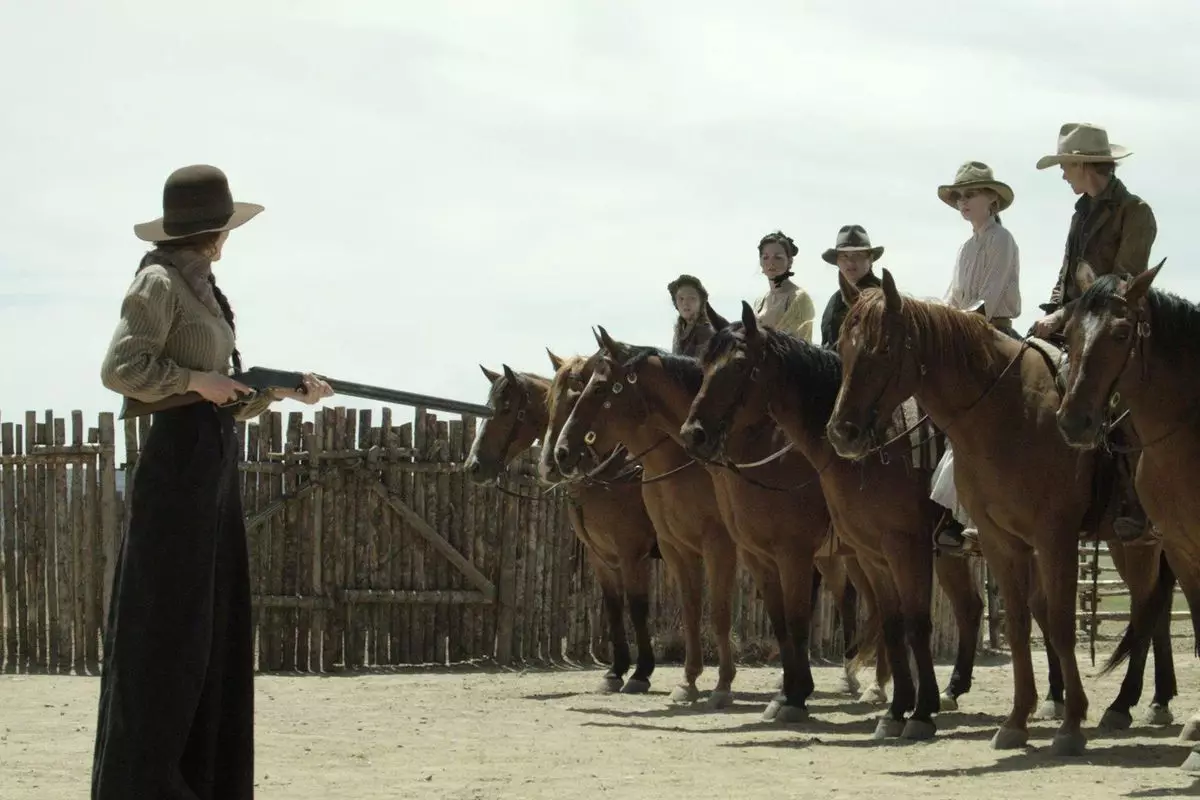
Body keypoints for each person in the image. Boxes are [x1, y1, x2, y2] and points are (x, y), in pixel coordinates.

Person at [91, 164, 334, 799]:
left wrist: (280, 392)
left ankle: (202, 780)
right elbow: (122, 367)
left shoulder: (202, 287)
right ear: (216, 233)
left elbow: (219, 390)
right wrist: (198, 382)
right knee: (169, 626)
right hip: (176, 461)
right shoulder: (158, 280)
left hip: (210, 455)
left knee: (209, 624)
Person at [1028, 123, 1157, 542]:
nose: (1063, 175)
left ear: (1084, 164)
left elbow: (1120, 284)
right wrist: (1050, 313)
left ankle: (1134, 502)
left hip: (1118, 326)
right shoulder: (1080, 212)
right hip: (1075, 323)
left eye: (1065, 166)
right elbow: (1067, 275)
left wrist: (1063, 316)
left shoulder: (1135, 212)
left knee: (1118, 398)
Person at [927, 161, 1021, 555]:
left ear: (992, 199)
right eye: (960, 197)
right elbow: (953, 296)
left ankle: (987, 510)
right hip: (962, 336)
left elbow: (989, 297)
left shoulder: (1003, 240)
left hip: (993, 332)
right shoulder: (965, 248)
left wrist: (949, 326)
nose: (963, 202)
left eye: (970, 195)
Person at [818, 224, 884, 349]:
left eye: (857, 255)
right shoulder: (835, 300)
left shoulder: (884, 296)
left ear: (870, 259)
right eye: (844, 256)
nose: (850, 262)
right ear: (837, 261)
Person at [752, 230, 815, 342]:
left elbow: (802, 346)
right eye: (765, 257)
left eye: (778, 257)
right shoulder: (759, 301)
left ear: (789, 261)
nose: (771, 263)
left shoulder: (799, 298)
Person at [667, 273, 729, 357]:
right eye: (681, 298)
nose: (685, 303)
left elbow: (701, 365)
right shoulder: (680, 330)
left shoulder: (705, 330)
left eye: (692, 298)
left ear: (701, 302)